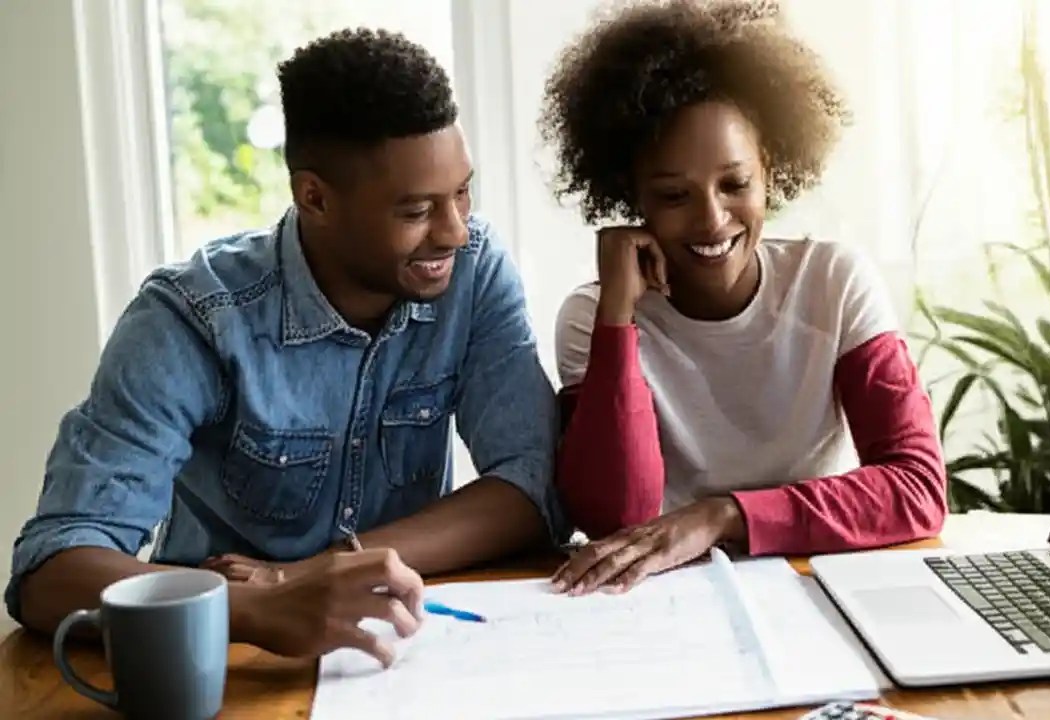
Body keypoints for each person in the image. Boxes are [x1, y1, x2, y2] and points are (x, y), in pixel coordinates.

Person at [7, 28, 564, 667]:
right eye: (416, 211)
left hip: (404, 654)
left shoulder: (475, 269)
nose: (454, 230)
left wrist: (314, 571)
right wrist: (253, 608)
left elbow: (532, 486)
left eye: (462, 192)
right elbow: (52, 565)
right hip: (226, 663)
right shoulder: (192, 317)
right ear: (315, 198)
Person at [542, 0, 947, 595]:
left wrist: (721, 515)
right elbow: (615, 517)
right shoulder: (593, 318)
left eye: (735, 185)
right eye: (674, 195)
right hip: (662, 600)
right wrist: (619, 320)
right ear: (631, 195)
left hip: (815, 581)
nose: (711, 221)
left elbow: (916, 488)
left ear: (770, 170)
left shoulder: (833, 284)